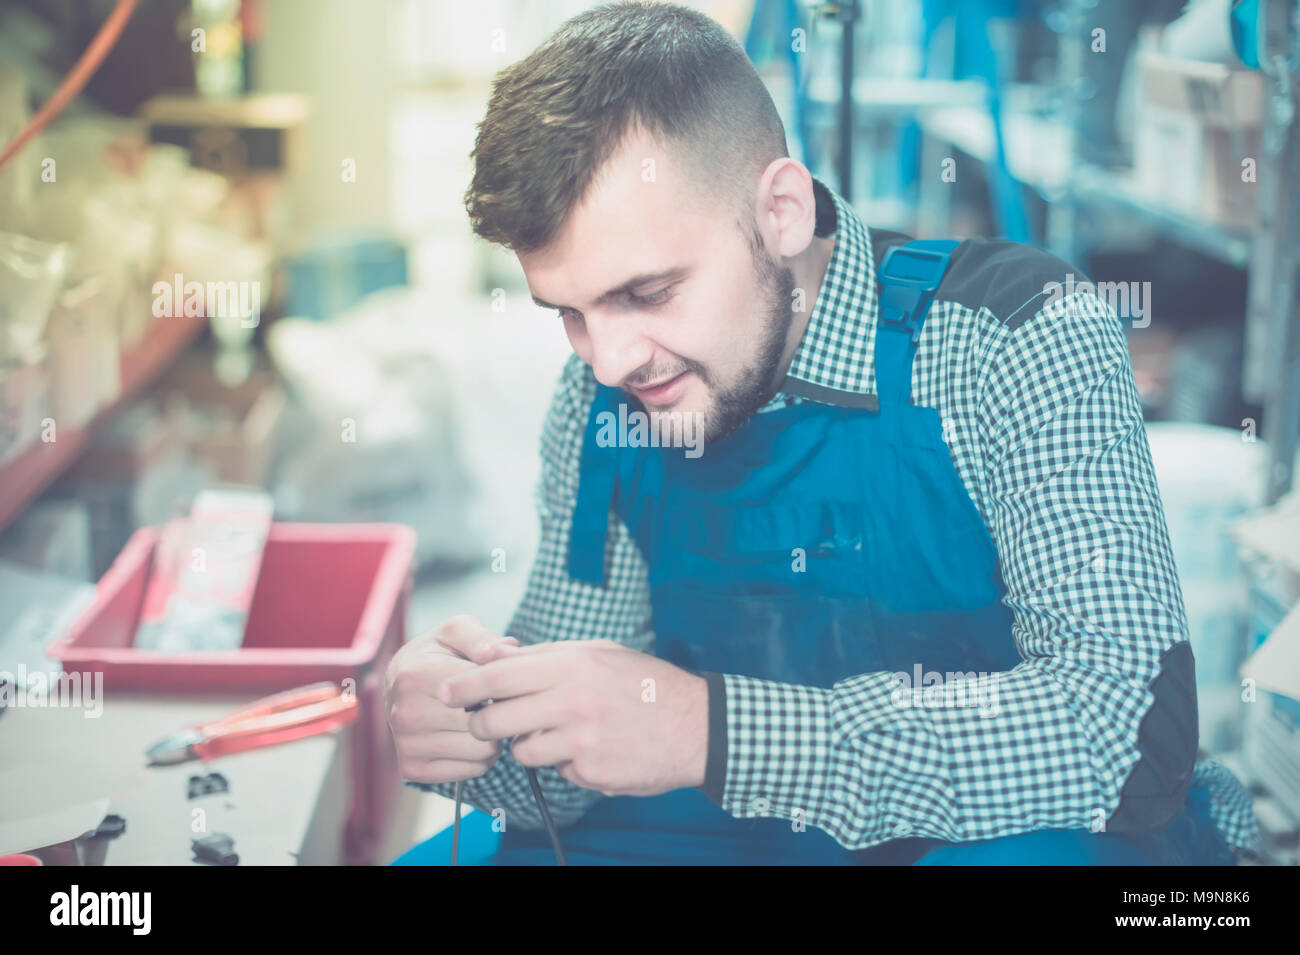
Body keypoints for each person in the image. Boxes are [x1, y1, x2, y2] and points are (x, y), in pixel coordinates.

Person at [386, 1, 1259, 865]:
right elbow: (570, 772)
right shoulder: (603, 405)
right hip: (735, 827)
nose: (609, 360)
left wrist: (711, 731)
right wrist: (473, 724)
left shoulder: (1015, 338)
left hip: (1006, 834)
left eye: (646, 294)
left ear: (782, 212)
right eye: (570, 312)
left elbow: (1126, 733)